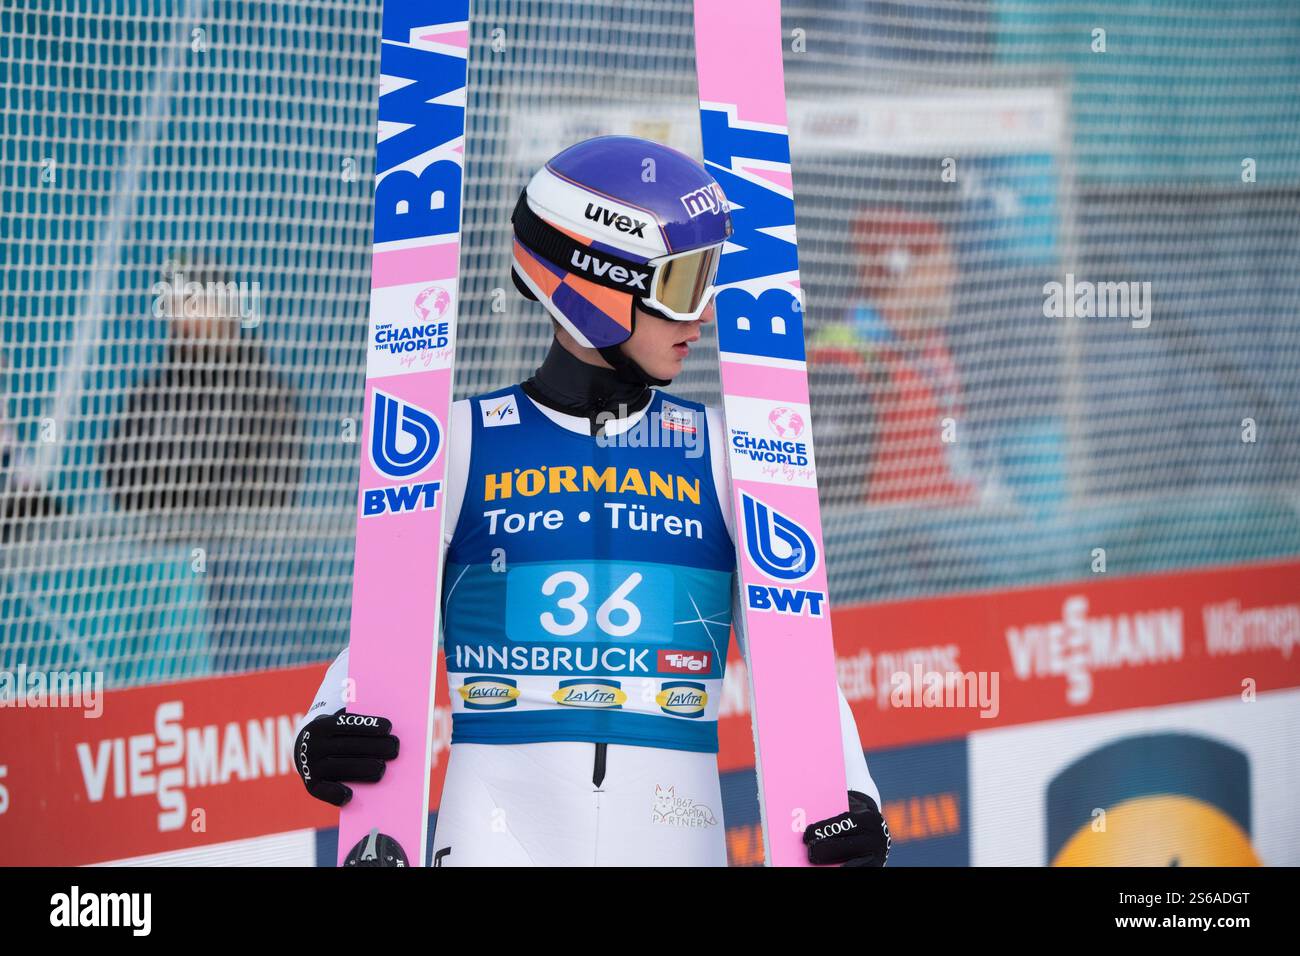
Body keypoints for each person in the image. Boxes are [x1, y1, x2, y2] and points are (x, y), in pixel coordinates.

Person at [295, 136, 889, 867]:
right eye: (680, 285)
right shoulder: (457, 440)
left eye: (709, 282)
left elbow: (791, 656)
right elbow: (386, 632)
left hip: (677, 829)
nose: (699, 318)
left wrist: (851, 795)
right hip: (495, 829)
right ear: (596, 283)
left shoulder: (729, 451)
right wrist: (323, 727)